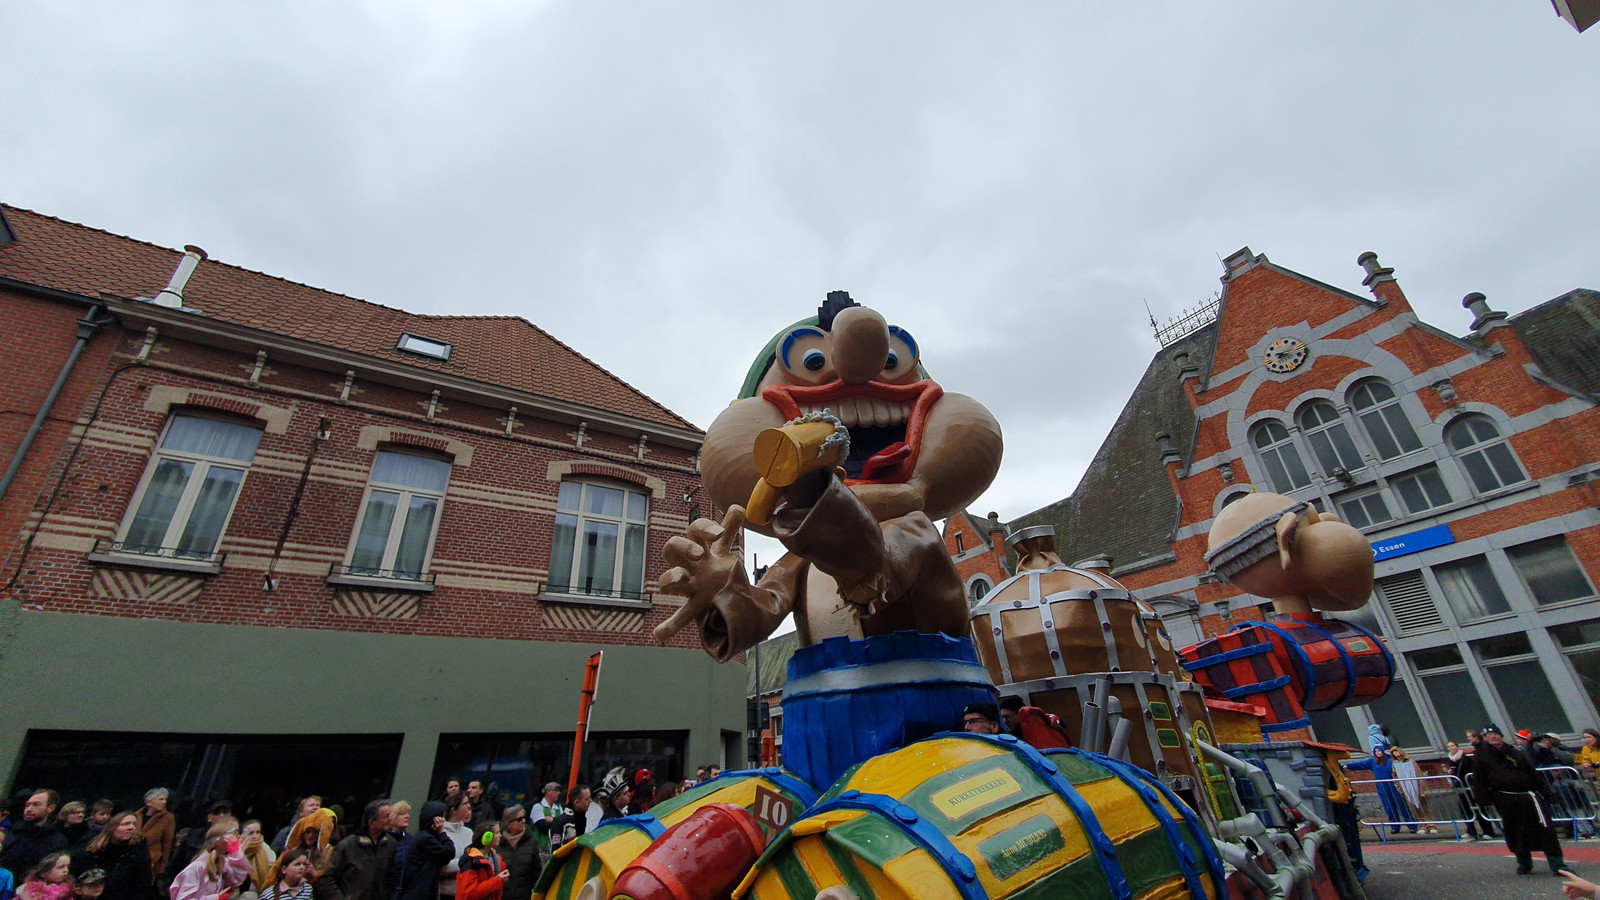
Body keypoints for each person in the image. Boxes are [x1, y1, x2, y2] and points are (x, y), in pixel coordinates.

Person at [1472, 723, 1567, 875]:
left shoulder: (1514, 752)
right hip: (1505, 798)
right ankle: (1524, 862)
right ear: (1484, 737)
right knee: (1515, 831)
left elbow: (1533, 773)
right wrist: (1484, 800)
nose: (1493, 736)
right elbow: (1479, 779)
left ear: (1501, 736)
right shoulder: (1481, 755)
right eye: (1489, 735)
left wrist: (1548, 794)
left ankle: (1558, 865)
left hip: (1529, 797)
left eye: (1495, 734)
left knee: (1545, 830)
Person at [315, 800, 392, 900]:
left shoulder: (390, 844)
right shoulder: (348, 845)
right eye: (386, 817)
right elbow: (326, 879)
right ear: (372, 822)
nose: (390, 820)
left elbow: (390, 878)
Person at [74, 812, 152, 900]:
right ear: (112, 827)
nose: (131, 827)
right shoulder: (93, 849)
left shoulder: (138, 849)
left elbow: (144, 883)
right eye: (125, 824)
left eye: (134, 824)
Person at [168, 818, 250, 900]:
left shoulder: (222, 863)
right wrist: (216, 898)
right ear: (223, 840)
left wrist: (236, 853)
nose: (237, 840)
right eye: (234, 837)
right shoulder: (197, 867)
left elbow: (237, 880)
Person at [1343, 749, 1417, 834]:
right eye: (1376, 751)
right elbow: (1361, 764)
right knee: (1389, 807)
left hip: (1395, 787)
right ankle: (1394, 826)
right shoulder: (1373, 762)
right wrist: (1348, 766)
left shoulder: (1391, 762)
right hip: (1382, 788)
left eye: (1379, 751)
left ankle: (1412, 825)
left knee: (1402, 806)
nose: (1378, 753)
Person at [1, 792, 69, 883]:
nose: (29, 809)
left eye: (36, 805)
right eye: (27, 805)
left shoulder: (57, 840)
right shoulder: (11, 832)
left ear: (50, 808)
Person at [393, 804, 450, 900]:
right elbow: (448, 853)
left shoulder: (410, 839)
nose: (407, 816)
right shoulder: (423, 838)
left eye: (408, 813)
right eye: (402, 814)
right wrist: (442, 833)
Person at [169, 803, 233, 884]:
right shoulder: (193, 836)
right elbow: (175, 863)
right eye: (217, 813)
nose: (222, 815)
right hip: (187, 883)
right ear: (209, 818)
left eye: (225, 812)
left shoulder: (235, 842)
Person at [1450, 734, 1498, 841]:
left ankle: (1488, 831)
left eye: (1470, 736)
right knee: (1465, 810)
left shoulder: (1468, 756)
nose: (1468, 738)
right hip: (1462, 787)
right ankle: (1471, 830)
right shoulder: (1452, 759)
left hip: (1472, 786)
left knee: (1479, 809)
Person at [1388, 748, 1436, 834]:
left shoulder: (1411, 762)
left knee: (1424, 806)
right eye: (1394, 752)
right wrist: (1399, 788)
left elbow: (1419, 774)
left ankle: (1431, 825)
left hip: (1416, 785)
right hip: (1406, 787)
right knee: (1414, 807)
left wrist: (1422, 787)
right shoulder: (1395, 764)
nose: (1396, 753)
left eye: (1397, 751)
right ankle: (1422, 825)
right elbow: (1395, 777)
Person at [493, 809, 536, 900]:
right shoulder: (498, 844)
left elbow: (537, 873)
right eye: (519, 819)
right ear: (508, 824)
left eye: (524, 818)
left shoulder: (531, 842)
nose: (523, 821)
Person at [438, 793, 474, 900]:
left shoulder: (469, 833)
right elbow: (439, 867)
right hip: (445, 894)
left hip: (465, 894)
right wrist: (465, 862)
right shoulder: (441, 832)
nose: (469, 806)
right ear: (453, 810)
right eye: (465, 803)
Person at [453, 827, 504, 900]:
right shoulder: (471, 862)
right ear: (487, 837)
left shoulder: (496, 858)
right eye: (497, 833)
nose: (500, 835)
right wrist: (497, 881)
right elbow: (469, 895)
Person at [542, 788, 589, 858]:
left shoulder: (583, 818)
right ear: (577, 803)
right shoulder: (561, 822)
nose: (590, 801)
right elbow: (555, 853)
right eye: (587, 799)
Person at [238, 821, 275, 897]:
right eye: (251, 833)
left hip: (262, 893)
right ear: (243, 835)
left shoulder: (265, 849)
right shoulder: (238, 850)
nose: (255, 836)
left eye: (257, 832)